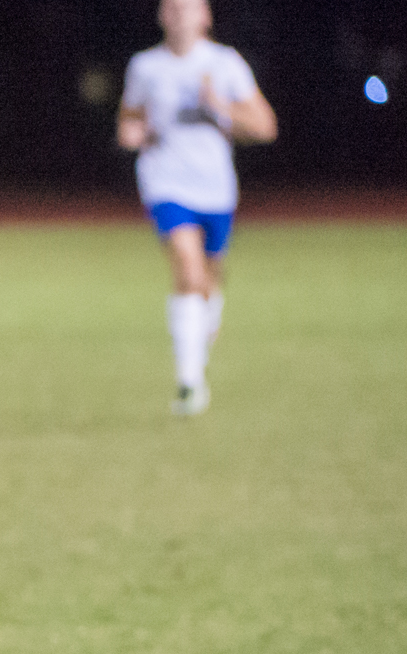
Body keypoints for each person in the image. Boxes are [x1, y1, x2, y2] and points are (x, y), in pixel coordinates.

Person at [117, 0, 276, 416]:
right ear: (160, 16)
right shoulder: (145, 66)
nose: (179, 15)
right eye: (171, 8)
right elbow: (129, 119)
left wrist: (220, 105)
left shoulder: (225, 64)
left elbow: (264, 126)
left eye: (188, 7)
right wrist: (132, 133)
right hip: (165, 182)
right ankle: (190, 382)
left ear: (205, 17)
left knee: (208, 277)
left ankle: (203, 317)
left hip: (216, 187)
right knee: (187, 270)